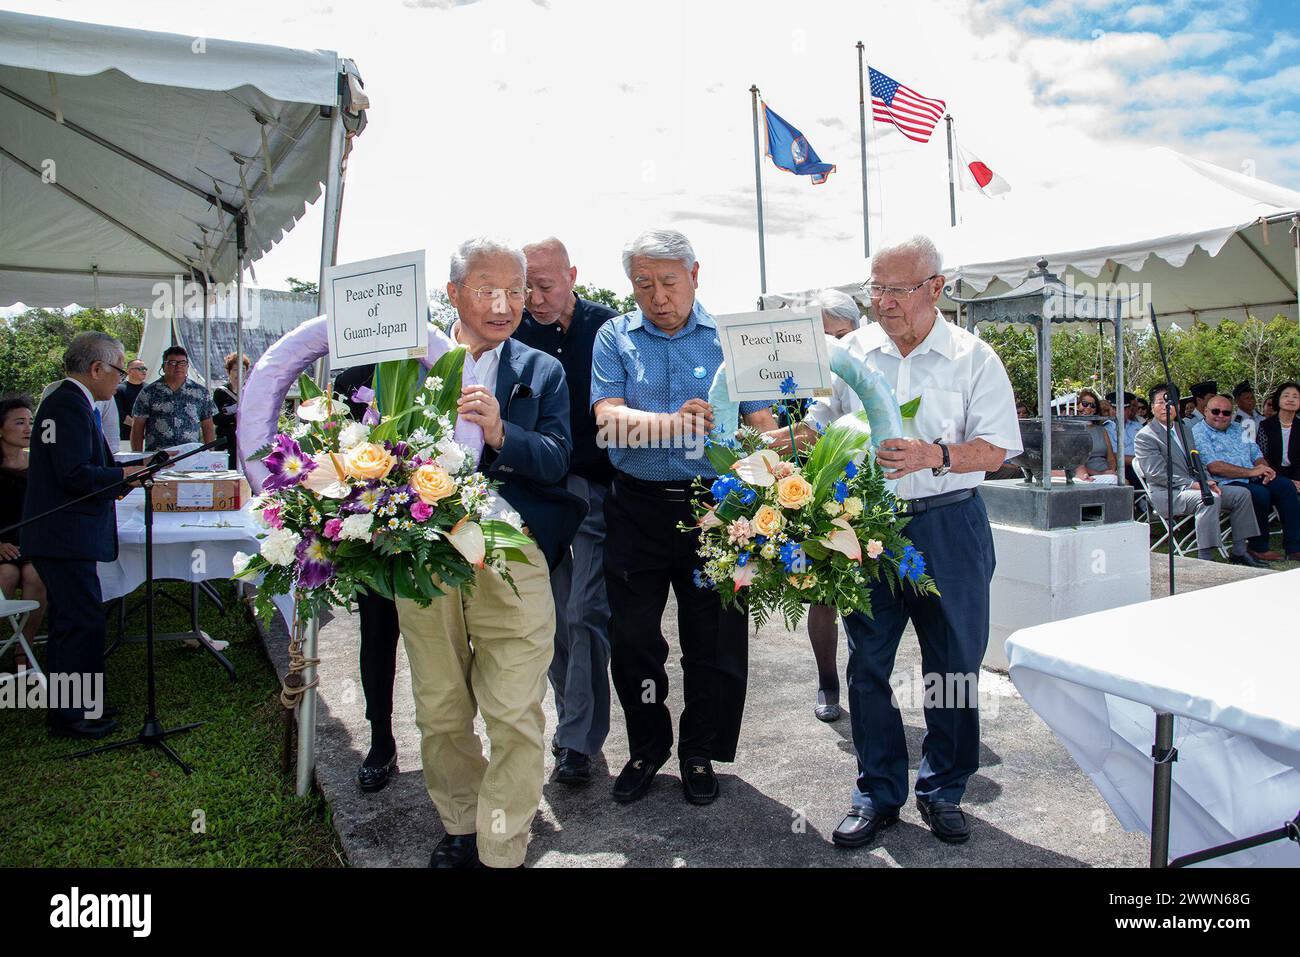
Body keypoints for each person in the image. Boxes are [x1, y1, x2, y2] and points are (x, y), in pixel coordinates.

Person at [777, 235, 1020, 849]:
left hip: (950, 523)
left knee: (954, 664)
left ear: (936, 287)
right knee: (868, 664)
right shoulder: (849, 353)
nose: (884, 302)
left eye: (898, 289)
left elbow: (996, 450)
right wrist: (786, 437)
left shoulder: (974, 357)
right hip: (868, 526)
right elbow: (818, 427)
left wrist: (933, 454)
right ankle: (877, 792)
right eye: (875, 288)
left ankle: (942, 789)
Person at [395, 237, 580, 869]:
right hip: (424, 555)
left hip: (512, 557)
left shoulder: (540, 370)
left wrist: (503, 432)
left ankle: (501, 844)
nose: (504, 305)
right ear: (452, 294)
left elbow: (558, 461)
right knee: (441, 708)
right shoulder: (407, 367)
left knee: (514, 711)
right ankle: (460, 825)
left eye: (515, 291)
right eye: (486, 290)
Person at [592, 228, 777, 807]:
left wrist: (784, 438)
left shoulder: (730, 338)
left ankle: (701, 750)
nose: (657, 296)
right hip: (636, 508)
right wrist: (675, 422)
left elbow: (761, 423)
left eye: (668, 282)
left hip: (715, 509)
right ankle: (648, 746)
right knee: (633, 639)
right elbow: (606, 422)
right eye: (643, 284)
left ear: (695, 275)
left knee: (715, 639)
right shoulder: (614, 336)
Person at [512, 237, 618, 785]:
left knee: (585, 612)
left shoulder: (609, 328)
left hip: (595, 492)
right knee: (551, 617)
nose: (534, 297)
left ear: (573, 274)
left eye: (546, 284)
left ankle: (578, 739)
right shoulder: (517, 335)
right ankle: (571, 727)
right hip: (538, 497)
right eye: (525, 286)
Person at [23, 332, 145, 738]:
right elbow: (74, 475)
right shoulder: (69, 404)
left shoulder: (67, 402)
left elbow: (83, 468)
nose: (120, 379)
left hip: (63, 535)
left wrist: (125, 475)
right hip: (64, 535)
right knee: (80, 621)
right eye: (118, 370)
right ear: (96, 369)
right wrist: (122, 476)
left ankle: (77, 703)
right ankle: (73, 714)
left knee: (71, 620)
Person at [333, 361, 403, 794]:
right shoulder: (349, 380)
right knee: (375, 634)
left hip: (428, 526)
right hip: (368, 532)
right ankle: (381, 739)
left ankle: (456, 745)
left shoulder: (437, 361)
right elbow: (329, 449)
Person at [804, 289, 862, 723]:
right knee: (822, 595)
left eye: (839, 334)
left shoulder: (879, 358)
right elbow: (814, 421)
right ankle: (828, 681)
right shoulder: (828, 372)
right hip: (833, 488)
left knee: (870, 597)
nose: (834, 346)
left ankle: (867, 683)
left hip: (883, 495)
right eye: (825, 338)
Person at [1133, 384, 1264, 567]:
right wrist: (1195, 485)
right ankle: (1205, 557)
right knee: (1208, 498)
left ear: (1177, 406)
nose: (1165, 407)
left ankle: (1240, 551)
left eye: (1169, 403)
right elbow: (1157, 474)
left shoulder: (1184, 430)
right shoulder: (1145, 436)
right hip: (1167, 493)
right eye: (1159, 403)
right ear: (1152, 406)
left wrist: (1207, 480)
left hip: (1197, 487)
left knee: (1242, 495)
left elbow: (1197, 461)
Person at [1194, 393, 1300, 563]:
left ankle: (1294, 547)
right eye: (1216, 411)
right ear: (1205, 411)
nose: (1221, 416)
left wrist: (1263, 468)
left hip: (1253, 476)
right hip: (1226, 482)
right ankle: (1257, 547)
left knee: (1285, 486)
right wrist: (1252, 472)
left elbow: (1256, 453)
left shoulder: (1239, 429)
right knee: (1259, 494)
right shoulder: (1199, 432)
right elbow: (1215, 466)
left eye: (1226, 413)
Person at [0, 395, 45, 672]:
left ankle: (23, 646)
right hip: (2, 546)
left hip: (32, 544)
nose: (28, 428)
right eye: (20, 422)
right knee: (6, 575)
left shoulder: (39, 466)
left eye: (31, 421)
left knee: (35, 574)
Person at [130, 345, 216, 451]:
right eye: (172, 363)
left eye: (182, 363)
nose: (178, 366)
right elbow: (138, 427)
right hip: (158, 457)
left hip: (190, 457)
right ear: (163, 366)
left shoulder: (201, 393)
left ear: (187, 366)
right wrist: (138, 458)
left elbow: (208, 426)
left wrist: (210, 455)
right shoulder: (149, 392)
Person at [1257, 380, 1300, 502]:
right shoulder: (1265, 425)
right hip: (1273, 474)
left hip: (1297, 473)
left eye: (1295, 397)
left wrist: (1297, 479)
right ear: (1278, 399)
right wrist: (1286, 480)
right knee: (1287, 489)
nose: (1291, 399)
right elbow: (1262, 456)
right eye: (1286, 396)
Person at [1070, 388, 1117, 483]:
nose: (1088, 408)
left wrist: (1111, 471)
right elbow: (1075, 465)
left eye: (1092, 405)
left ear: (1096, 410)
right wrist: (1101, 473)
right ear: (1077, 406)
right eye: (1084, 404)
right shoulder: (1071, 430)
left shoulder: (1102, 430)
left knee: (1123, 482)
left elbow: (1111, 459)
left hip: (1107, 473)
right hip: (1086, 476)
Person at [213, 352, 249, 469]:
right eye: (235, 370)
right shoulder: (221, 392)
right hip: (227, 440)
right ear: (229, 371)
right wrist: (232, 417)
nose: (239, 373)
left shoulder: (250, 392)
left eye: (242, 370)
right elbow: (215, 419)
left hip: (245, 441)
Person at [1103, 390, 1142, 486]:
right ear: (1111, 410)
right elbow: (1112, 455)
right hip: (1121, 468)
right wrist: (1136, 461)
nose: (1118, 412)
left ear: (1128, 410)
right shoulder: (1105, 429)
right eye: (1115, 408)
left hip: (1142, 465)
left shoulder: (1138, 427)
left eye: (1122, 409)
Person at [114, 358, 148, 442]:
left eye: (145, 369)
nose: (144, 371)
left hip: (147, 438)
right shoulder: (119, 389)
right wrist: (139, 427)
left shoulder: (149, 389)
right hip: (125, 438)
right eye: (140, 369)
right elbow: (120, 414)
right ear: (129, 371)